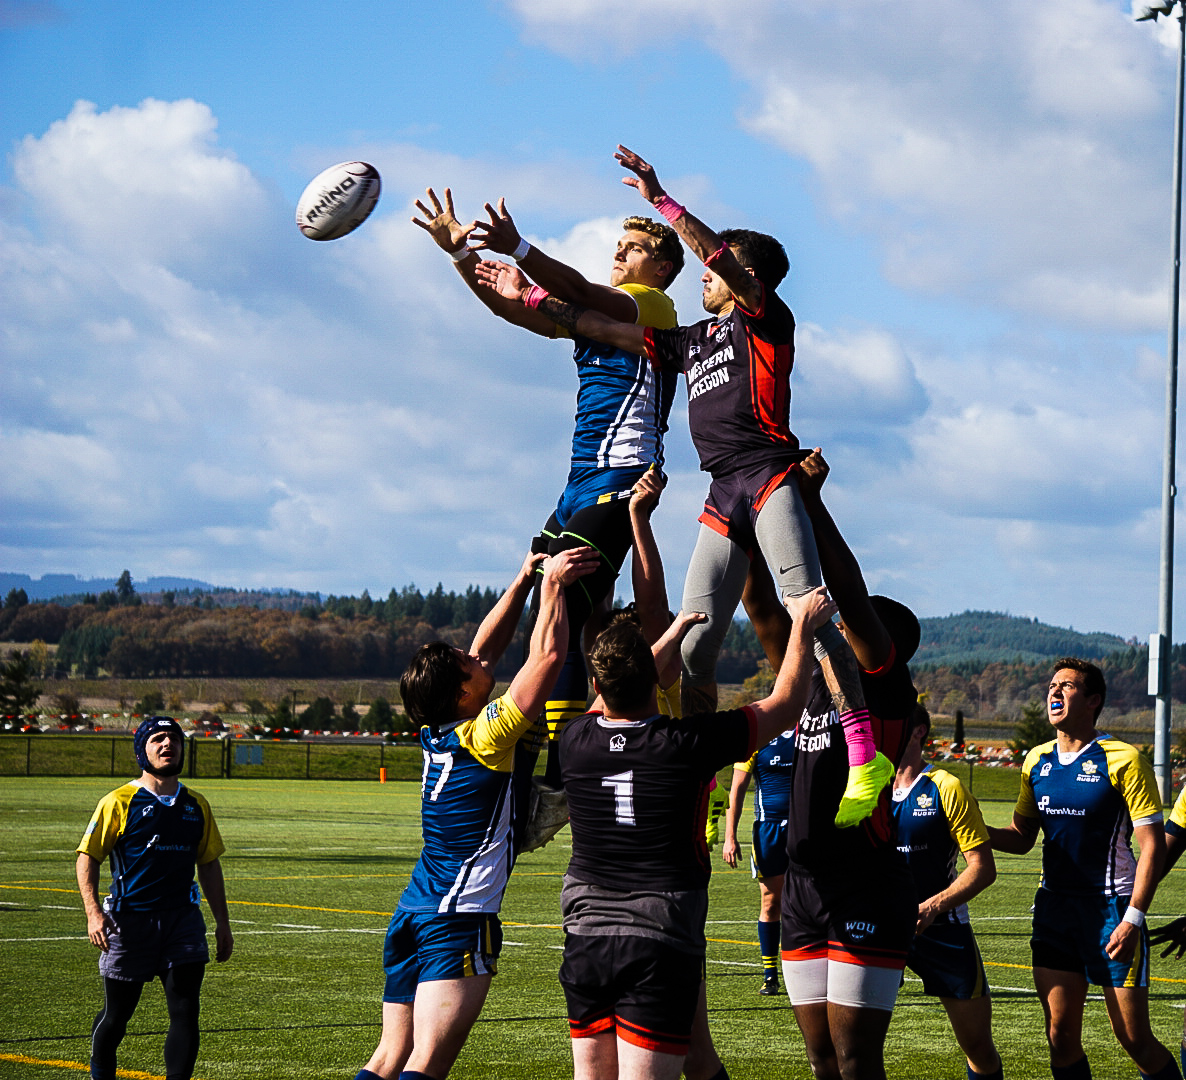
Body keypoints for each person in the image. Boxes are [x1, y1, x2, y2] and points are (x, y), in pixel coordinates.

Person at [475, 146, 890, 831]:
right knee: (689, 646)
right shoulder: (691, 340)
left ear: (743, 276)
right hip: (724, 491)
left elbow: (720, 259)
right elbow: (605, 326)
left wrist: (663, 201)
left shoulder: (764, 318)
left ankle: (863, 750)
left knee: (805, 610)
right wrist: (534, 297)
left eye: (715, 265)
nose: (704, 271)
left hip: (770, 475)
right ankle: (693, 775)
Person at [411, 187, 683, 819]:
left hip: (623, 475)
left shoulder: (654, 306)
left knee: (557, 595)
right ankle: (585, 762)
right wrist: (460, 257)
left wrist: (521, 251)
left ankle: (551, 782)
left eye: (635, 247)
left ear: (663, 269)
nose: (620, 250)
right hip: (577, 483)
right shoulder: (599, 317)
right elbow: (514, 311)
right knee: (582, 620)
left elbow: (583, 296)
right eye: (618, 243)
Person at [558, 586, 838, 1080]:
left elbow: (616, 684)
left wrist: (671, 632)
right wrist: (802, 625)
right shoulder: (686, 743)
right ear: (652, 677)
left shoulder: (575, 740)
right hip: (657, 939)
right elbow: (788, 702)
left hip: (585, 937)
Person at [353, 545, 598, 1080]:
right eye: (467, 665)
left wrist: (522, 580)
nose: (478, 659)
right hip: (457, 919)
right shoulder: (486, 735)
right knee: (427, 1063)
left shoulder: (435, 732)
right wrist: (553, 587)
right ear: (463, 693)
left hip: (413, 911)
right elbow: (548, 661)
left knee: (388, 1057)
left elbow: (486, 647)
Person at [772, 449, 922, 1080]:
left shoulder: (886, 683)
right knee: (821, 1059)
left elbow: (852, 595)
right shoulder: (814, 680)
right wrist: (761, 508)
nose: (839, 617)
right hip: (803, 890)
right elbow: (764, 606)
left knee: (857, 1059)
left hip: (865, 881)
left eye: (858, 623)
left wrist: (810, 503)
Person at [988, 658, 1180, 1080]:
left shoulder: (1124, 759)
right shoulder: (1036, 761)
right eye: (1052, 685)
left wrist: (1133, 919)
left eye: (1068, 686)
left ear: (1093, 701)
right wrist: (969, 829)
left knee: (1134, 1039)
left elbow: (1152, 848)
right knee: (1060, 1037)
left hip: (1112, 911)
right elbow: (1021, 838)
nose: (1055, 692)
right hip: (1055, 910)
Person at [75, 715, 232, 1080]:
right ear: (141, 750)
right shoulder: (118, 801)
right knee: (117, 1015)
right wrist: (93, 912)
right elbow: (88, 858)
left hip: (183, 922)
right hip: (129, 923)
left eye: (174, 739)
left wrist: (223, 922)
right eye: (158, 739)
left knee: (185, 1010)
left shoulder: (196, 805)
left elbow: (208, 865)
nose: (167, 745)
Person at [892, 703, 1002, 1080]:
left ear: (918, 731)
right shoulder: (865, 786)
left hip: (944, 931)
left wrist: (935, 905)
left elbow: (983, 868)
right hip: (881, 931)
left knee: (978, 1049)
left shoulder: (945, 786)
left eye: (892, 720)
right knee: (855, 1047)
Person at [721, 726, 796, 997]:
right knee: (771, 902)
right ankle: (770, 975)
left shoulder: (810, 733)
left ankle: (807, 970)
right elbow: (737, 790)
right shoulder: (758, 737)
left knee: (813, 901)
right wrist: (730, 836)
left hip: (805, 829)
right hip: (769, 830)